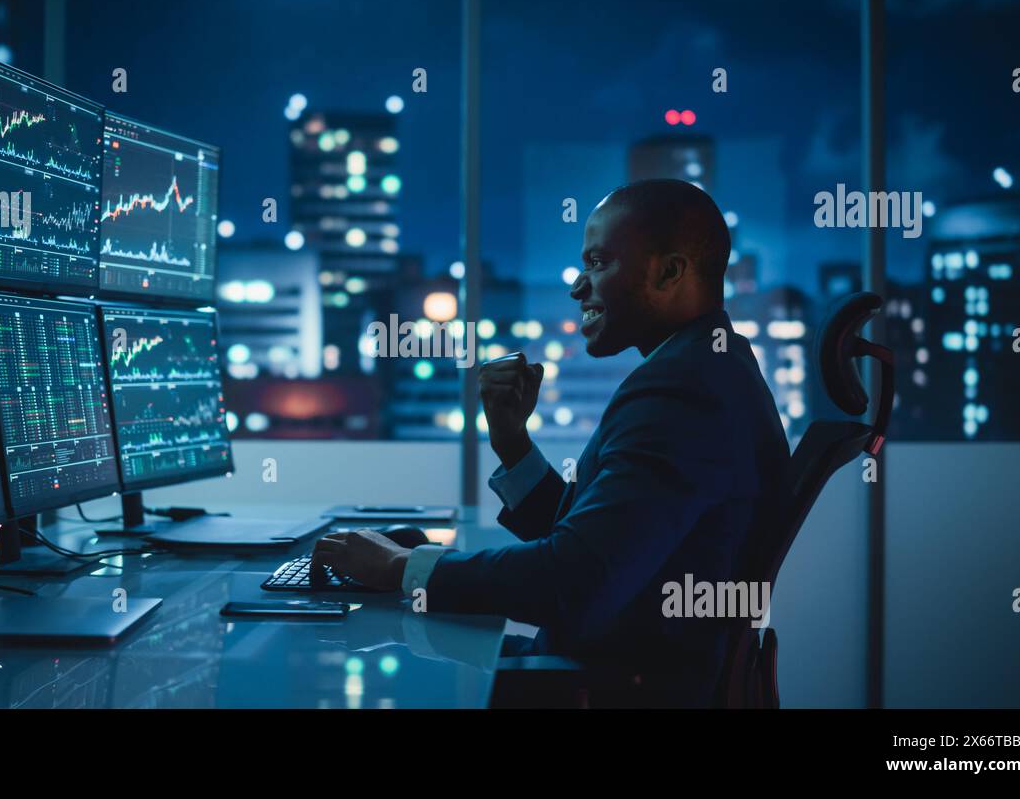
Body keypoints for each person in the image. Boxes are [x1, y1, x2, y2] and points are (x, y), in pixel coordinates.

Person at [313, 179, 789, 706]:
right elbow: (601, 545)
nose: (578, 286)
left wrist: (402, 567)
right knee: (395, 643)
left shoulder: (683, 390)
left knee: (346, 661)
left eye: (599, 262)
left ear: (670, 271)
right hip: (605, 665)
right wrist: (512, 443)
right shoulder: (706, 368)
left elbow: (573, 582)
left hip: (607, 684)